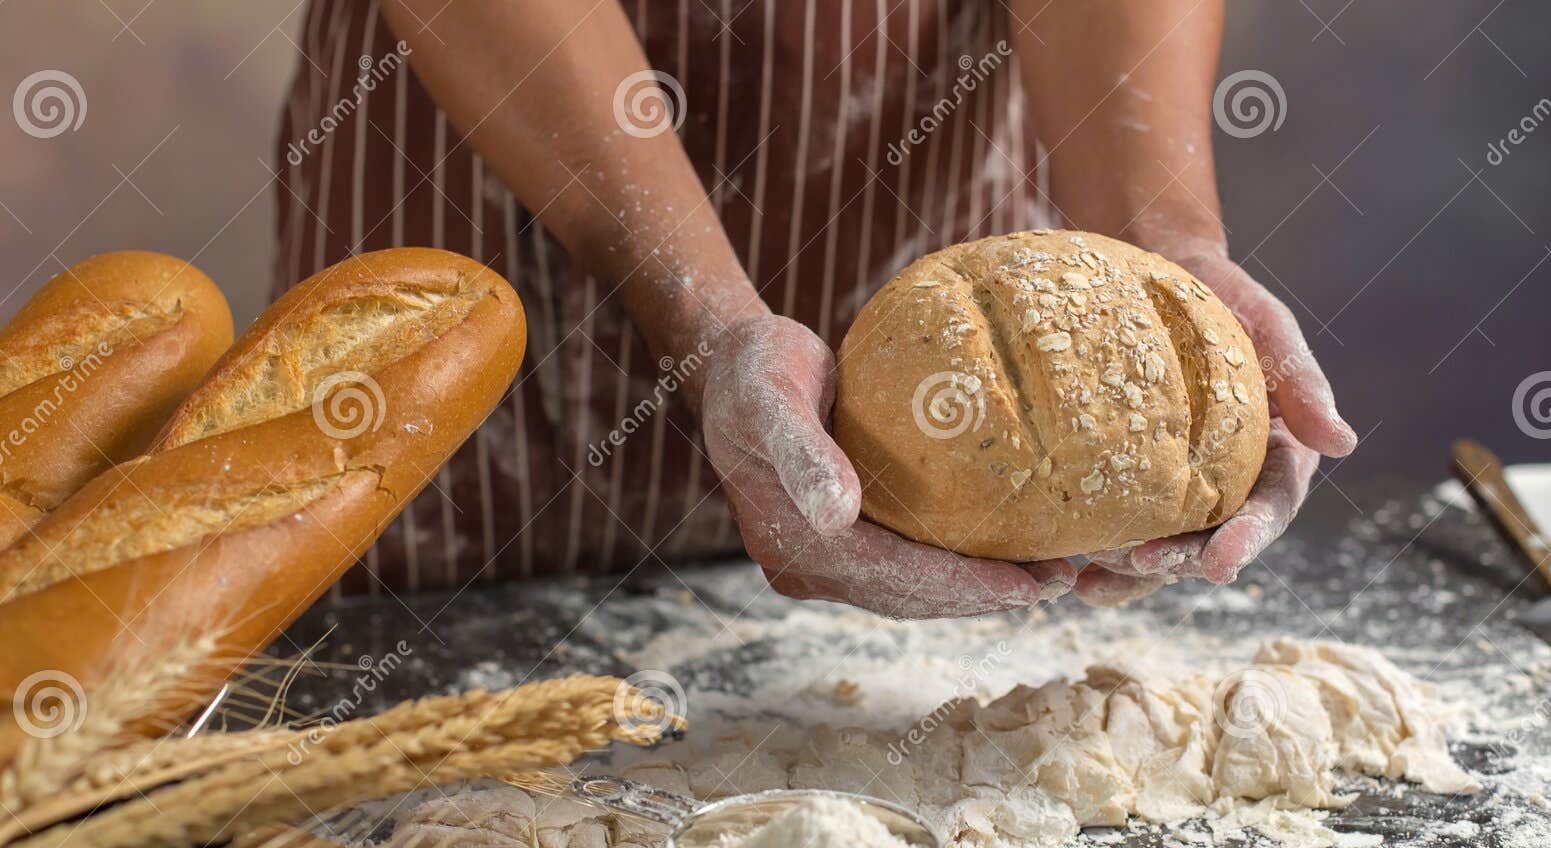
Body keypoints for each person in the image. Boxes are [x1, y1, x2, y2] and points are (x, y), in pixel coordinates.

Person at [277, 0, 1355, 616]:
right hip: (500, 138)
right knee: (420, 717)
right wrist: (702, 314)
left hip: (909, 124)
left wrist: (1162, 239)